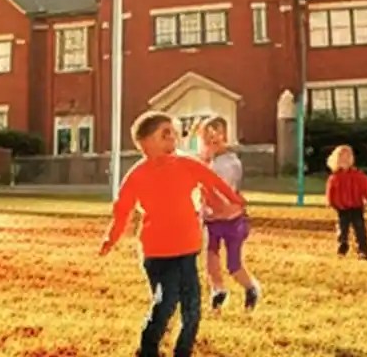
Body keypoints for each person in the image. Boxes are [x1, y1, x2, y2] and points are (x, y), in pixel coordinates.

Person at [100, 111, 246, 357]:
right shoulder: (137, 174)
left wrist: (235, 200)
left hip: (187, 248)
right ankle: (148, 349)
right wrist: (110, 239)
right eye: (164, 134)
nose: (172, 139)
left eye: (173, 134)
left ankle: (183, 350)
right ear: (144, 143)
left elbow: (213, 182)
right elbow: (122, 210)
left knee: (192, 307)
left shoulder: (187, 164)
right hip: (157, 253)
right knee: (166, 302)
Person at [196, 116, 262, 312]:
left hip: (232, 220)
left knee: (234, 265)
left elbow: (222, 191)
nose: (209, 143)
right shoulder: (204, 160)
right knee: (210, 259)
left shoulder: (230, 163)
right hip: (211, 221)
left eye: (214, 138)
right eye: (205, 139)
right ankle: (218, 290)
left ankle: (251, 288)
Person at [325, 144, 367, 260]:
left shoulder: (358, 176)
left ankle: (363, 251)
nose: (345, 160)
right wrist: (331, 203)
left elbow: (365, 187)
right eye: (342, 157)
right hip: (342, 208)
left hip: (357, 206)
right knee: (342, 229)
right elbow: (330, 192)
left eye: (347, 157)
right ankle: (342, 247)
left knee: (360, 229)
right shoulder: (334, 178)